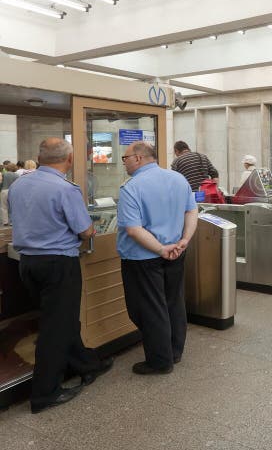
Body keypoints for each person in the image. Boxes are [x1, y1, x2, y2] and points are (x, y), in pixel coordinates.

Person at [8, 138, 113, 413]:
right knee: (56, 327)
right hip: (58, 263)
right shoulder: (65, 189)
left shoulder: (18, 185)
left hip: (27, 263)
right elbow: (85, 231)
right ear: (68, 160)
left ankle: (88, 365)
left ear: (40, 158)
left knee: (60, 319)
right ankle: (45, 394)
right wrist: (91, 228)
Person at [118, 141, 198, 375]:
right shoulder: (177, 179)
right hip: (176, 253)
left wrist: (161, 249)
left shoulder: (131, 187)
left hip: (143, 258)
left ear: (138, 158)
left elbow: (133, 229)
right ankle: (174, 351)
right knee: (173, 301)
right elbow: (191, 210)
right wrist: (184, 240)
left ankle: (160, 361)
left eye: (125, 158)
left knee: (147, 309)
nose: (124, 163)